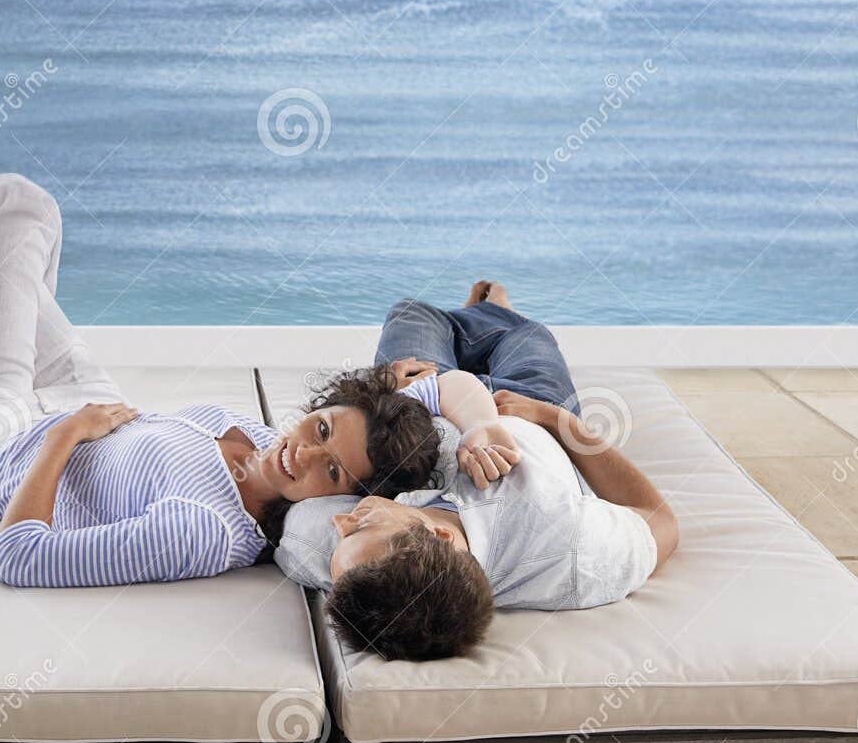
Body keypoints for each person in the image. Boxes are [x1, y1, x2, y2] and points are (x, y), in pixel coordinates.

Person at [0, 173, 443, 588]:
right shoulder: (260, 438)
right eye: (322, 430)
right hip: (85, 402)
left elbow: (18, 557)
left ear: (349, 499)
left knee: (13, 201)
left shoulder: (203, 531)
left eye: (334, 471)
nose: (303, 455)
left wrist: (65, 436)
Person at [278, 282, 680, 661]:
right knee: (525, 336)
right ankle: (495, 309)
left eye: (339, 546)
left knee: (412, 313)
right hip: (526, 405)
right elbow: (659, 522)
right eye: (361, 528)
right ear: (438, 535)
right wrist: (557, 420)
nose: (341, 519)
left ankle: (473, 317)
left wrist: (380, 387)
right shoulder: (573, 551)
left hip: (415, 405)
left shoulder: (329, 552)